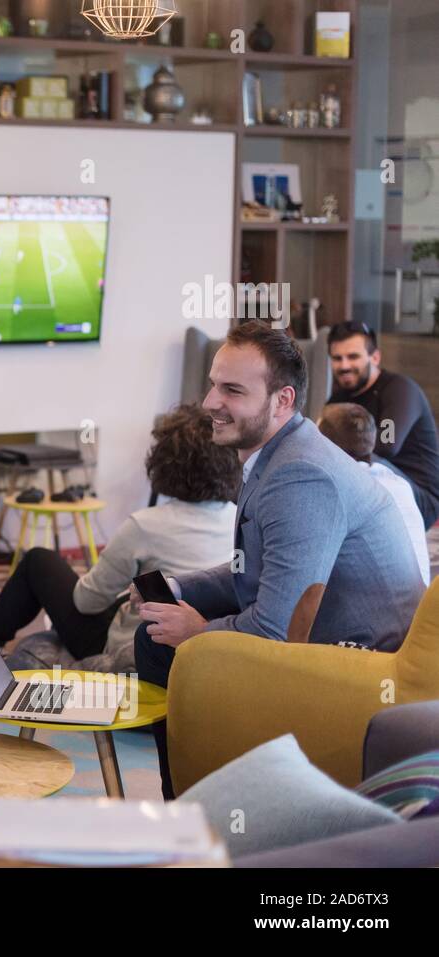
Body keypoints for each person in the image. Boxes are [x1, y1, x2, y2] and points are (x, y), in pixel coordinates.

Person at [134, 321, 425, 798]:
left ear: (282, 401)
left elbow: (275, 628)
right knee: (157, 631)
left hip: (352, 668)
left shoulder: (300, 477)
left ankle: (193, 806)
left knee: (164, 644)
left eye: (232, 390)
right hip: (321, 641)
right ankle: (192, 797)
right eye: (213, 384)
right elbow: (260, 572)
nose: (210, 402)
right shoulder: (281, 452)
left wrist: (198, 632)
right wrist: (181, 586)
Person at [0, 404, 239, 674]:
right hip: (193, 646)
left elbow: (86, 601)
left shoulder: (145, 525)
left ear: (164, 463)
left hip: (134, 647)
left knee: (39, 561)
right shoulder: (240, 520)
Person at [328, 320, 439, 528]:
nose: (344, 366)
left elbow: (387, 445)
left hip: (420, 499)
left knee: (365, 462)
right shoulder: (338, 398)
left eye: (353, 357)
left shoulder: (399, 390)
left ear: (375, 357)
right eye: (337, 358)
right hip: (373, 488)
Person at [319, 402, 431, 586]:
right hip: (419, 601)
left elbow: (389, 445)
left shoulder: (342, 486)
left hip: (381, 607)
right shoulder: (398, 482)